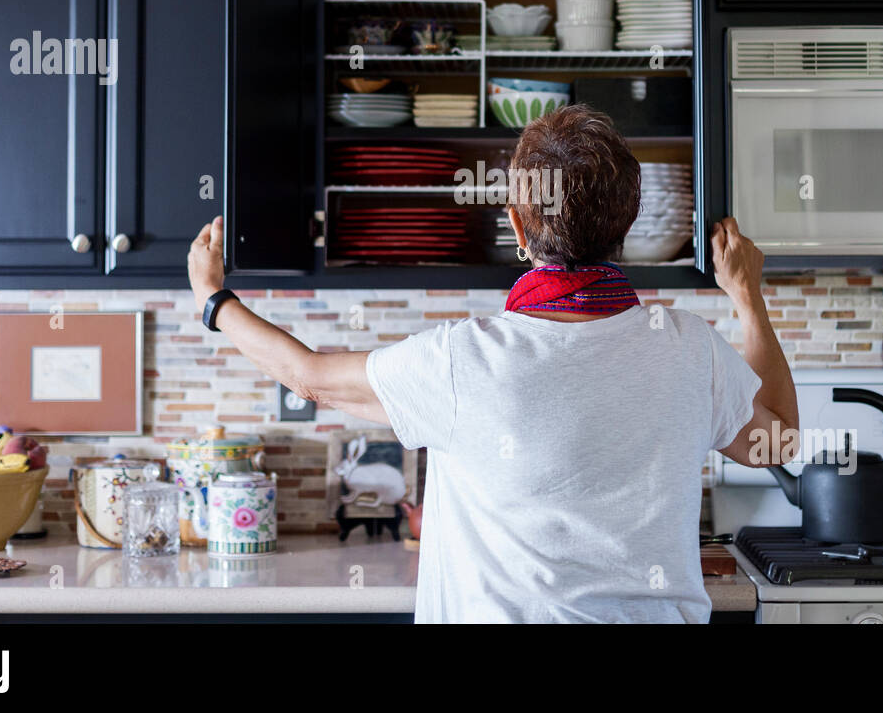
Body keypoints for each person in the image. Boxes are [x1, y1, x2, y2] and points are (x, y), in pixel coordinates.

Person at [187, 105, 797, 623]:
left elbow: (309, 377)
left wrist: (215, 301)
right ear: (629, 224)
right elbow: (781, 440)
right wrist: (747, 297)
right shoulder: (690, 347)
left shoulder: (461, 359)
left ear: (517, 227)